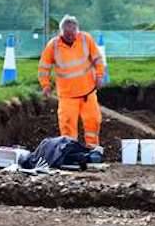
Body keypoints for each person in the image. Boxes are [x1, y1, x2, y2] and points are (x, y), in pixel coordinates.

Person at [38, 15, 106, 148]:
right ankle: (69, 151)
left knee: (93, 121)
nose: (70, 36)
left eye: (73, 33)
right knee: (67, 125)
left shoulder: (86, 39)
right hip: (67, 95)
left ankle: (92, 149)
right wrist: (45, 85)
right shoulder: (53, 46)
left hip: (88, 92)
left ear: (77, 31)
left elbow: (97, 59)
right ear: (61, 32)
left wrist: (99, 76)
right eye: (67, 34)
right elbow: (44, 67)